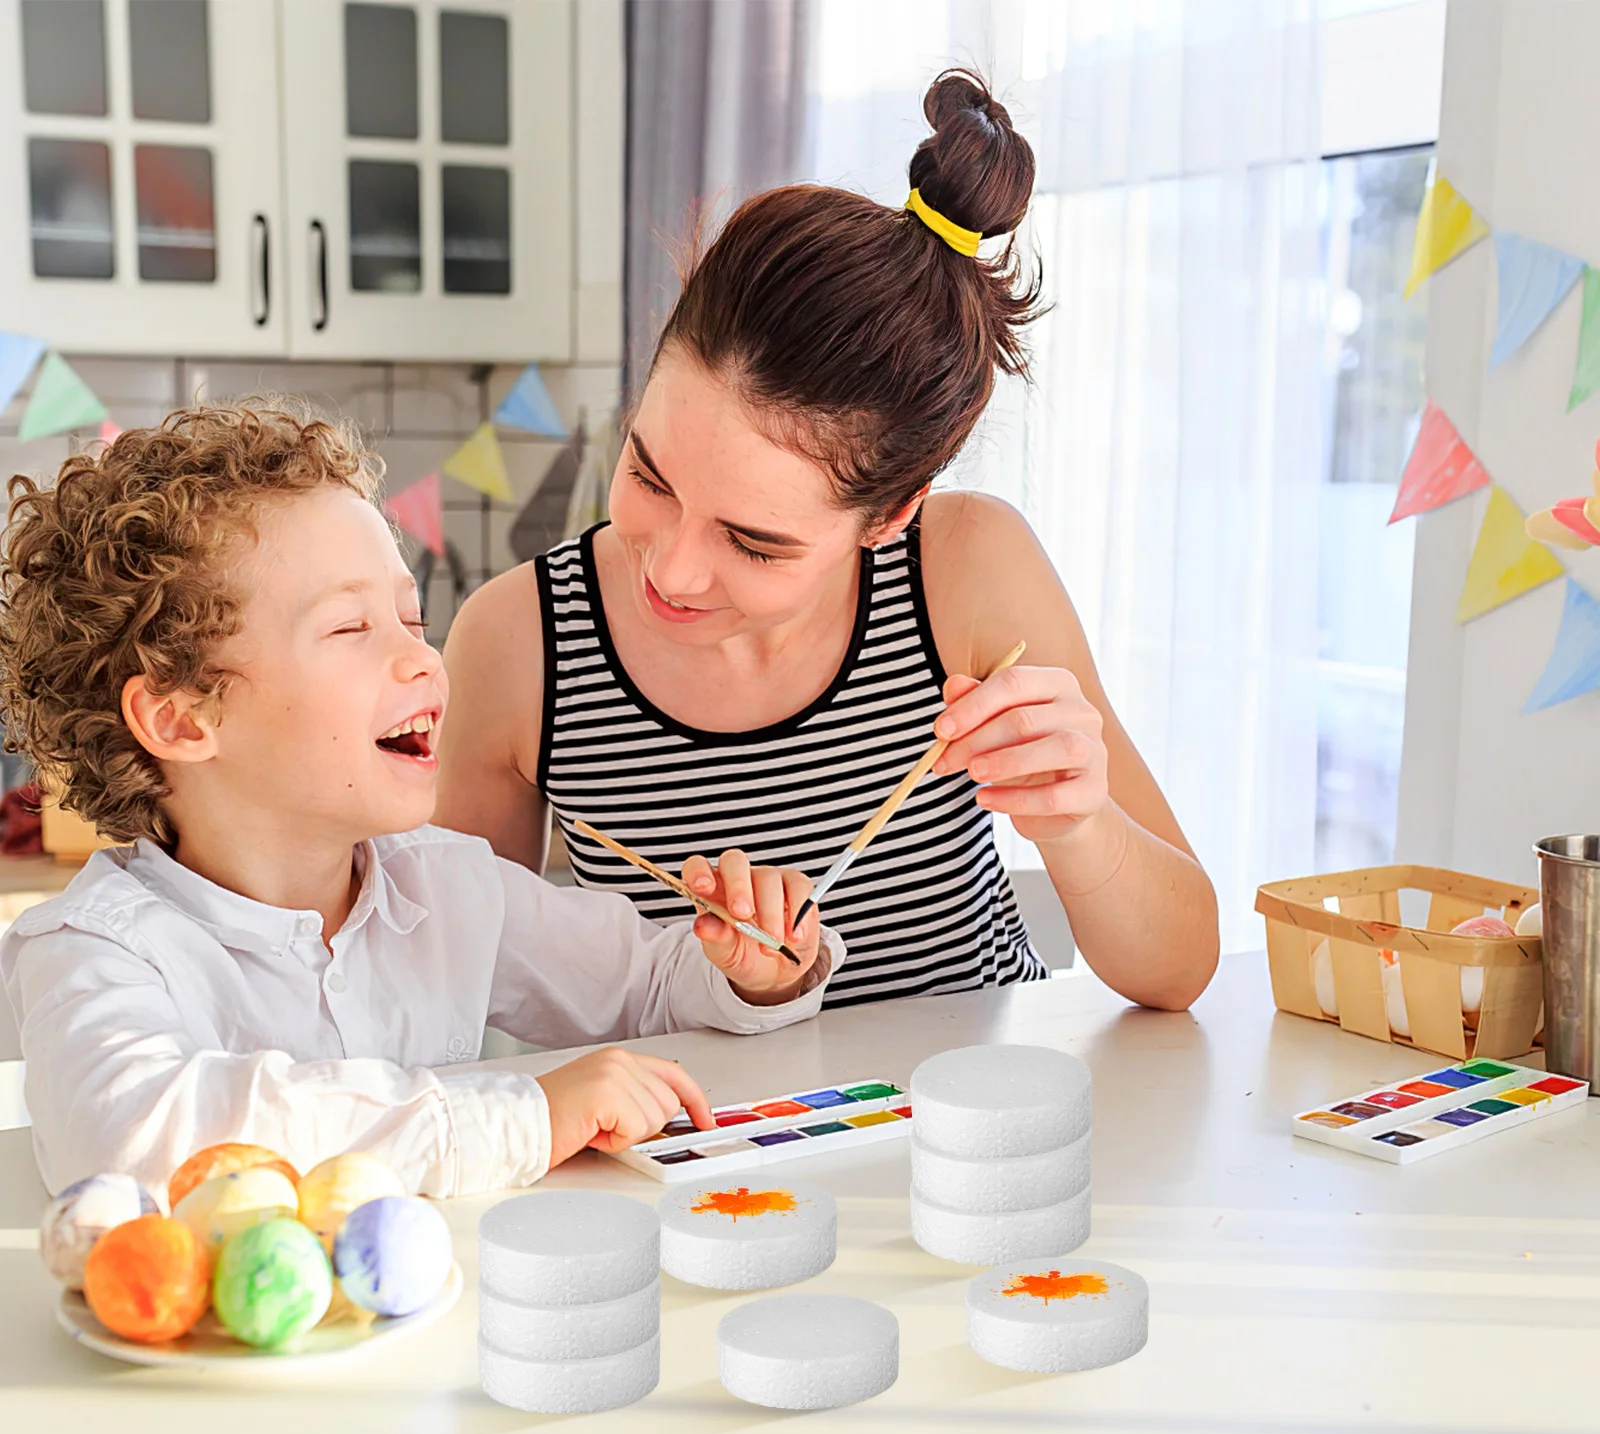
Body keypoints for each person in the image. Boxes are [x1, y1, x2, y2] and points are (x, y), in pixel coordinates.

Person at [436, 69, 1218, 1013]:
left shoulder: (967, 570)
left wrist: (1080, 822)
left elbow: (1180, 971)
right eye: (648, 474)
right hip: (692, 1117)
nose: (672, 569)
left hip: (970, 1101)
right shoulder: (519, 644)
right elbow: (447, 987)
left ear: (890, 516)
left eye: (754, 543)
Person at [0, 405, 838, 1198]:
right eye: (350, 629)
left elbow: (647, 989)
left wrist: (754, 970)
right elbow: (136, 1138)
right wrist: (523, 1118)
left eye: (412, 619)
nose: (424, 661)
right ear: (182, 718)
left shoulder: (446, 884)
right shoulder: (93, 947)